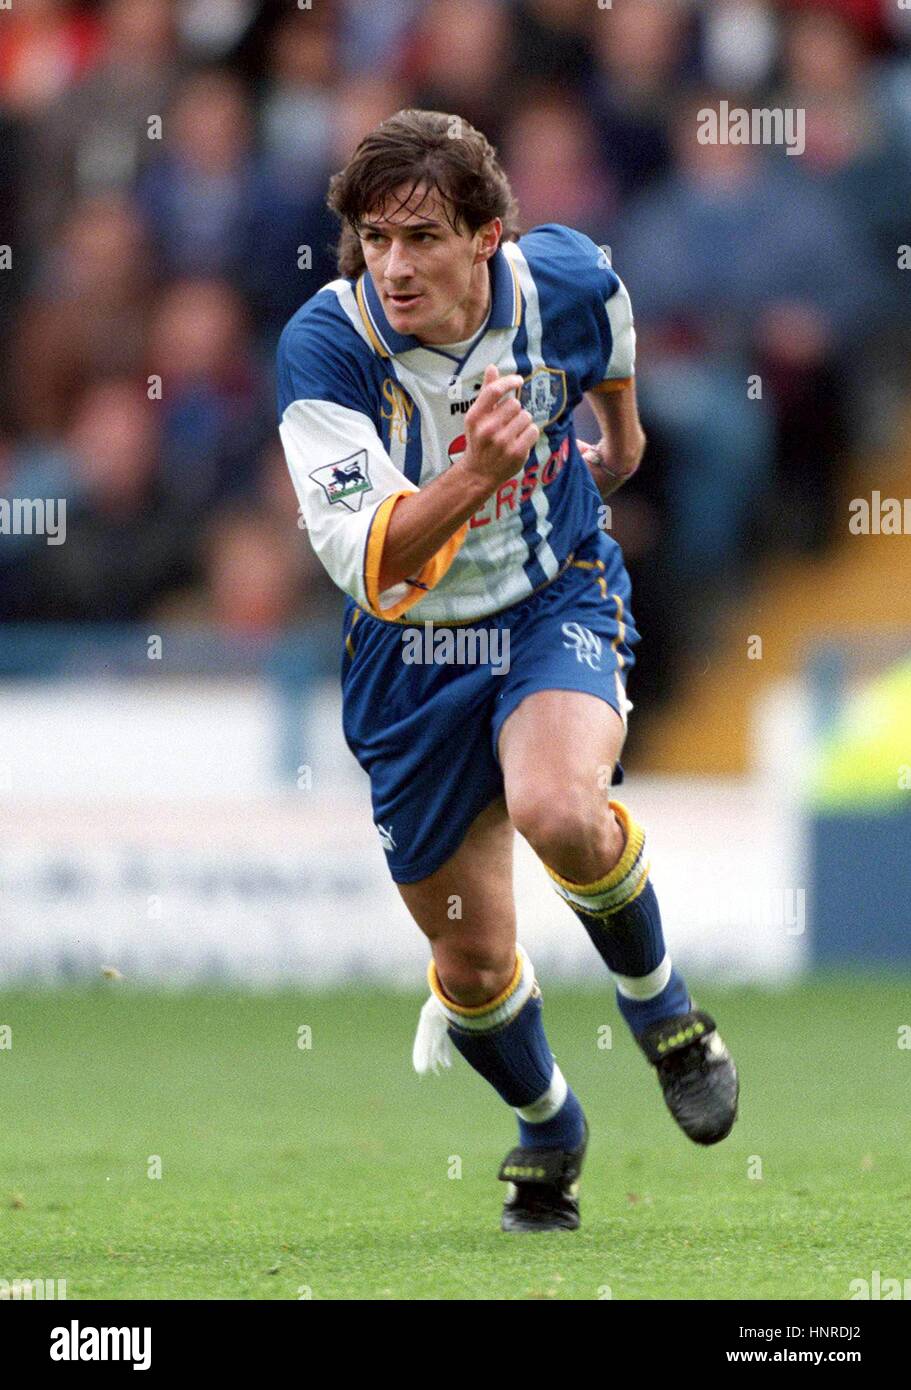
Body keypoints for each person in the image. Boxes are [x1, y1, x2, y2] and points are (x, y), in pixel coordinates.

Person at [276, 110, 738, 1233]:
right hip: (408, 650)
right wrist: (479, 471)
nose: (393, 265)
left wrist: (618, 439)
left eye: (422, 237)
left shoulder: (560, 279)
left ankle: (664, 1013)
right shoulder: (325, 347)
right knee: (473, 961)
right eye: (374, 238)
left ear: (486, 237)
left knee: (554, 803)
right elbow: (368, 557)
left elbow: (611, 330)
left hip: (550, 596)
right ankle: (548, 1122)